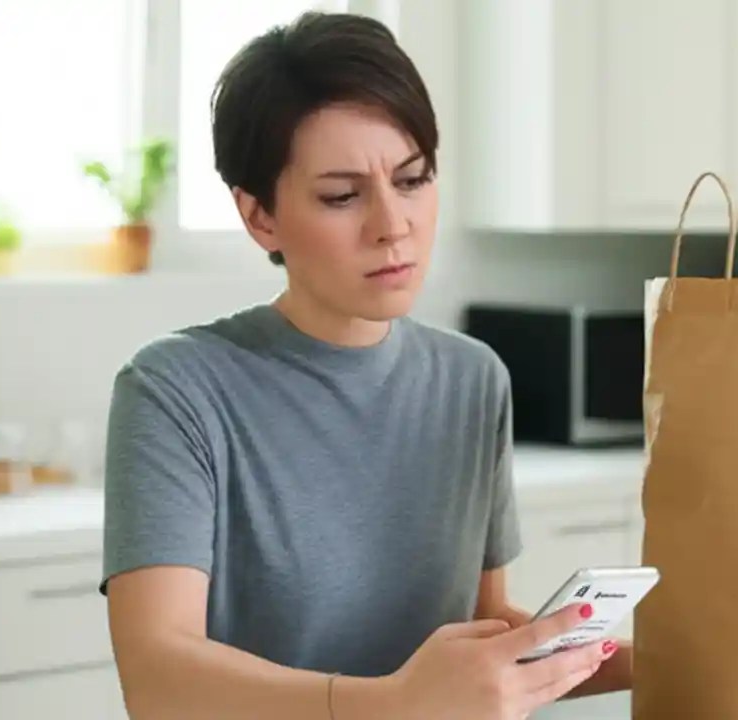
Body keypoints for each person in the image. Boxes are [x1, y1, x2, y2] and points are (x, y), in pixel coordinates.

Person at [100, 11, 630, 719]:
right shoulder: (175, 390)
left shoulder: (473, 380)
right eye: (342, 196)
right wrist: (390, 702)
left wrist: (652, 660)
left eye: (412, 180)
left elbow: (486, 618)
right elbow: (158, 677)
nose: (393, 224)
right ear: (260, 216)